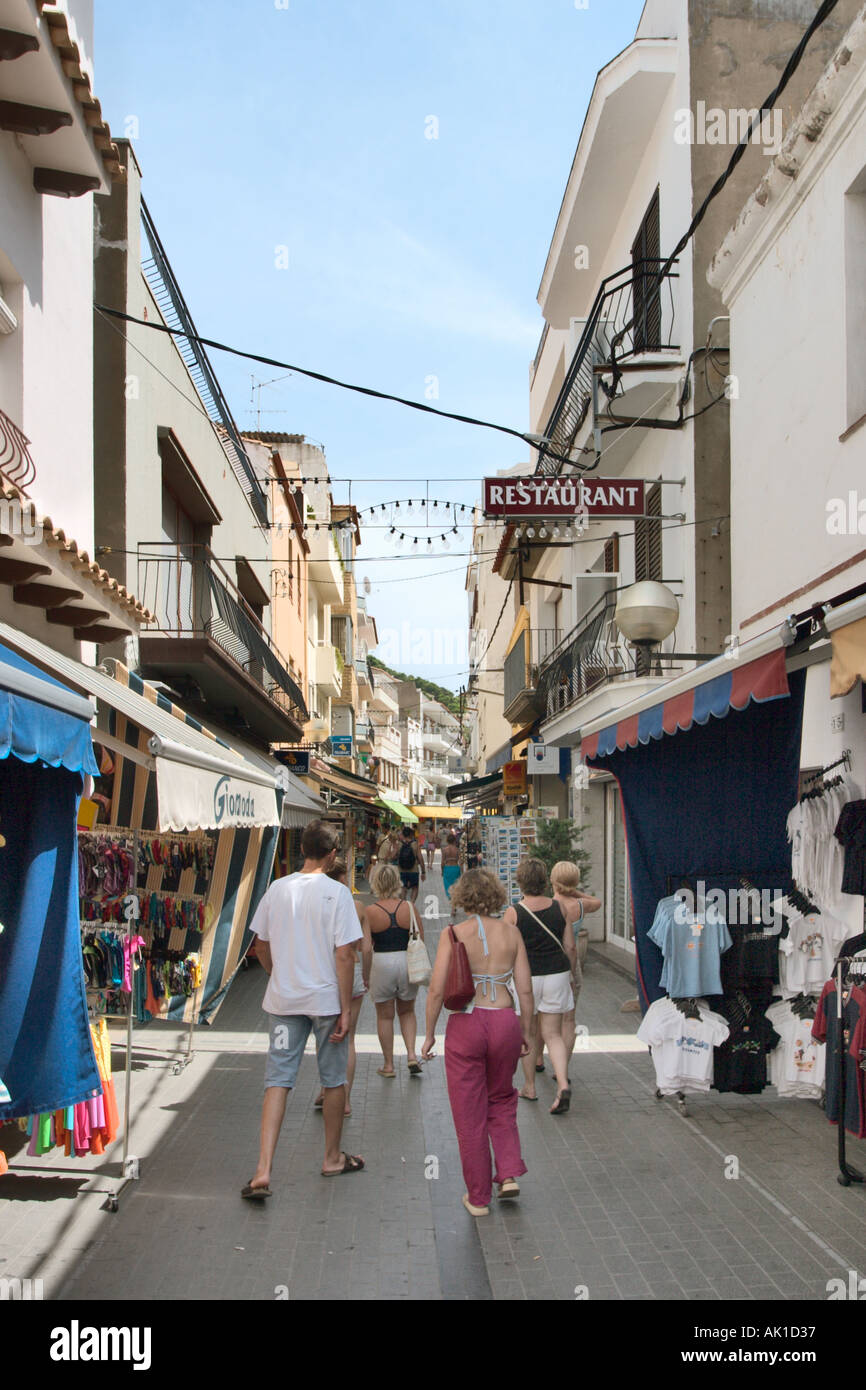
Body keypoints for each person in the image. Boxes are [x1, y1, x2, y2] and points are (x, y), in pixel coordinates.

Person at [243, 819, 365, 1197]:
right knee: (332, 1080)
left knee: (277, 1079)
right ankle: (331, 1157)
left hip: (284, 1002)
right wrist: (345, 1008)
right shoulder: (337, 894)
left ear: (302, 852)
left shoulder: (276, 890)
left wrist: (277, 975)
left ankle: (263, 1169)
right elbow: (345, 954)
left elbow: (259, 945)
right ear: (332, 856)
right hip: (326, 1002)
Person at [422, 868, 534, 1217]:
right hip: (503, 1019)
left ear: (462, 897)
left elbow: (438, 988)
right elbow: (526, 990)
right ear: (497, 895)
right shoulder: (512, 933)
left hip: (467, 1024)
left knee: (468, 1113)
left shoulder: (453, 934)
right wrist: (526, 1032)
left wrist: (427, 1034)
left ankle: (479, 1197)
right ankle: (510, 1170)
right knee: (501, 1097)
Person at [503, 857, 577, 1115]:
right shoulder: (560, 909)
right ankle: (563, 1084)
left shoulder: (513, 913)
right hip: (557, 973)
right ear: (545, 882)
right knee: (553, 1034)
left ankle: (530, 1087)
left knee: (529, 1033)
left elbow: (505, 951)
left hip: (526, 978)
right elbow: (569, 946)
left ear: (520, 882)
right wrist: (573, 973)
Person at [312, 857, 373, 1117]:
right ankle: (344, 1099)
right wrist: (367, 976)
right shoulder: (357, 905)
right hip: (353, 969)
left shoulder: (314, 903)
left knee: (324, 1035)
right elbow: (367, 947)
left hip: (323, 970)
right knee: (348, 1040)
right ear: (343, 877)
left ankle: (327, 1089)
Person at [367, 861, 424, 1077]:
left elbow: (365, 946)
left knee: (384, 1016)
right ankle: (411, 1055)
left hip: (381, 961)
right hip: (406, 961)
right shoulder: (409, 908)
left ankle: (389, 1065)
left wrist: (364, 974)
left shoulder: (371, 911)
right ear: (397, 882)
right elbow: (421, 939)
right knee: (407, 1011)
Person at [550, 861, 601, 1070]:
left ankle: (537, 1061)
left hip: (549, 961)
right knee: (568, 1020)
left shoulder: (549, 905)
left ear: (553, 881)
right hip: (572, 965)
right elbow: (596, 902)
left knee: (546, 1017)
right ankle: (562, 1066)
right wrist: (575, 892)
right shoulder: (580, 906)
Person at [397, 825, 425, 904]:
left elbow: (395, 856)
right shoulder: (415, 844)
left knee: (403, 887)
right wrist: (423, 872)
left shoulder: (399, 844)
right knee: (415, 887)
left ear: (403, 834)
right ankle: (412, 904)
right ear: (410, 834)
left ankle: (403, 903)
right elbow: (420, 858)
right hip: (414, 870)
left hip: (401, 869)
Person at [441, 832, 461, 920]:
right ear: (454, 841)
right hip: (456, 868)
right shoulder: (457, 850)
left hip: (447, 869)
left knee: (448, 888)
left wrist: (442, 871)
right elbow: (459, 861)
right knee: (455, 887)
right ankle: (454, 906)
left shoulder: (445, 850)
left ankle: (453, 907)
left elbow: (442, 862)